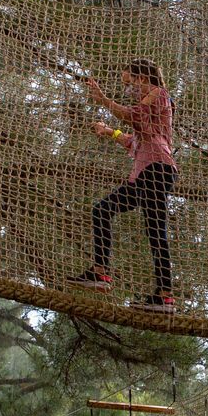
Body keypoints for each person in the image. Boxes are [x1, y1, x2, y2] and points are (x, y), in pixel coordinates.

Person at [66, 57, 177, 312]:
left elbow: (132, 115)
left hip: (156, 171)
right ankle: (103, 274)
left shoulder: (159, 94)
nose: (129, 90)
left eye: (130, 83)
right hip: (147, 174)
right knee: (105, 211)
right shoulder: (151, 110)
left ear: (142, 78)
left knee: (153, 230)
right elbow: (135, 139)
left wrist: (104, 100)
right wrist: (109, 132)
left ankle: (163, 294)